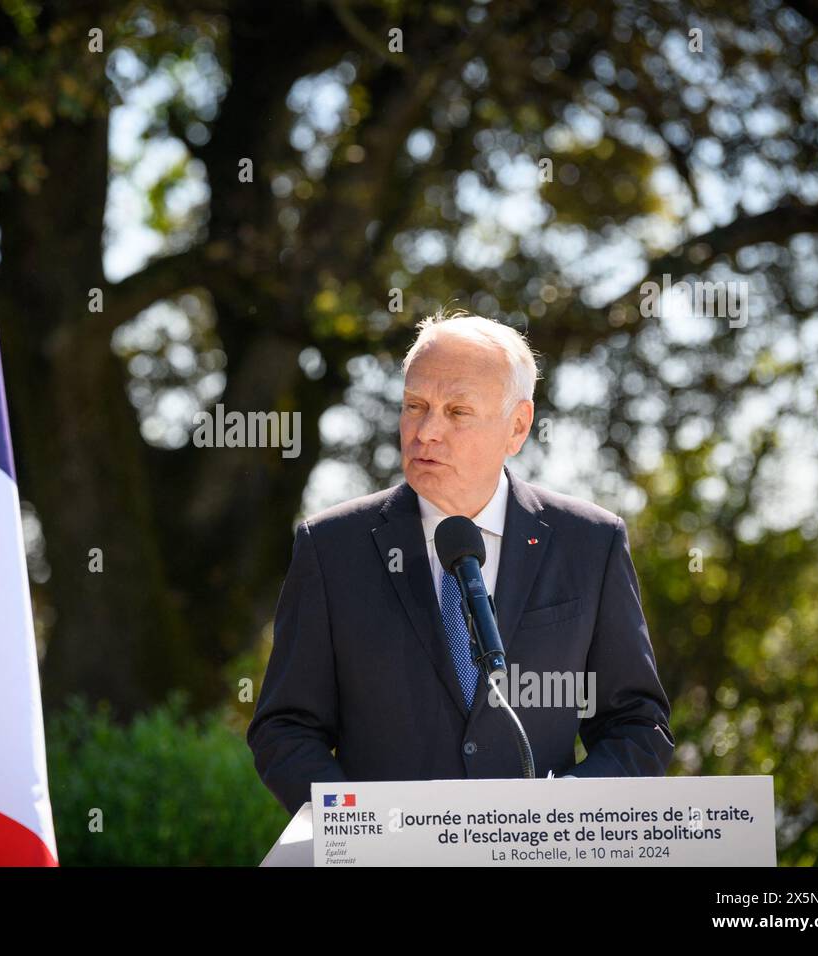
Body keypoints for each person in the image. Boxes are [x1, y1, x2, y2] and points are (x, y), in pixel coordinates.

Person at [247, 308, 675, 816]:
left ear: (517, 427)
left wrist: (562, 820)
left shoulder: (591, 543)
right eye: (415, 405)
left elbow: (637, 723)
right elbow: (286, 728)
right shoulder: (331, 547)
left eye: (456, 411)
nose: (426, 431)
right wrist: (355, 830)